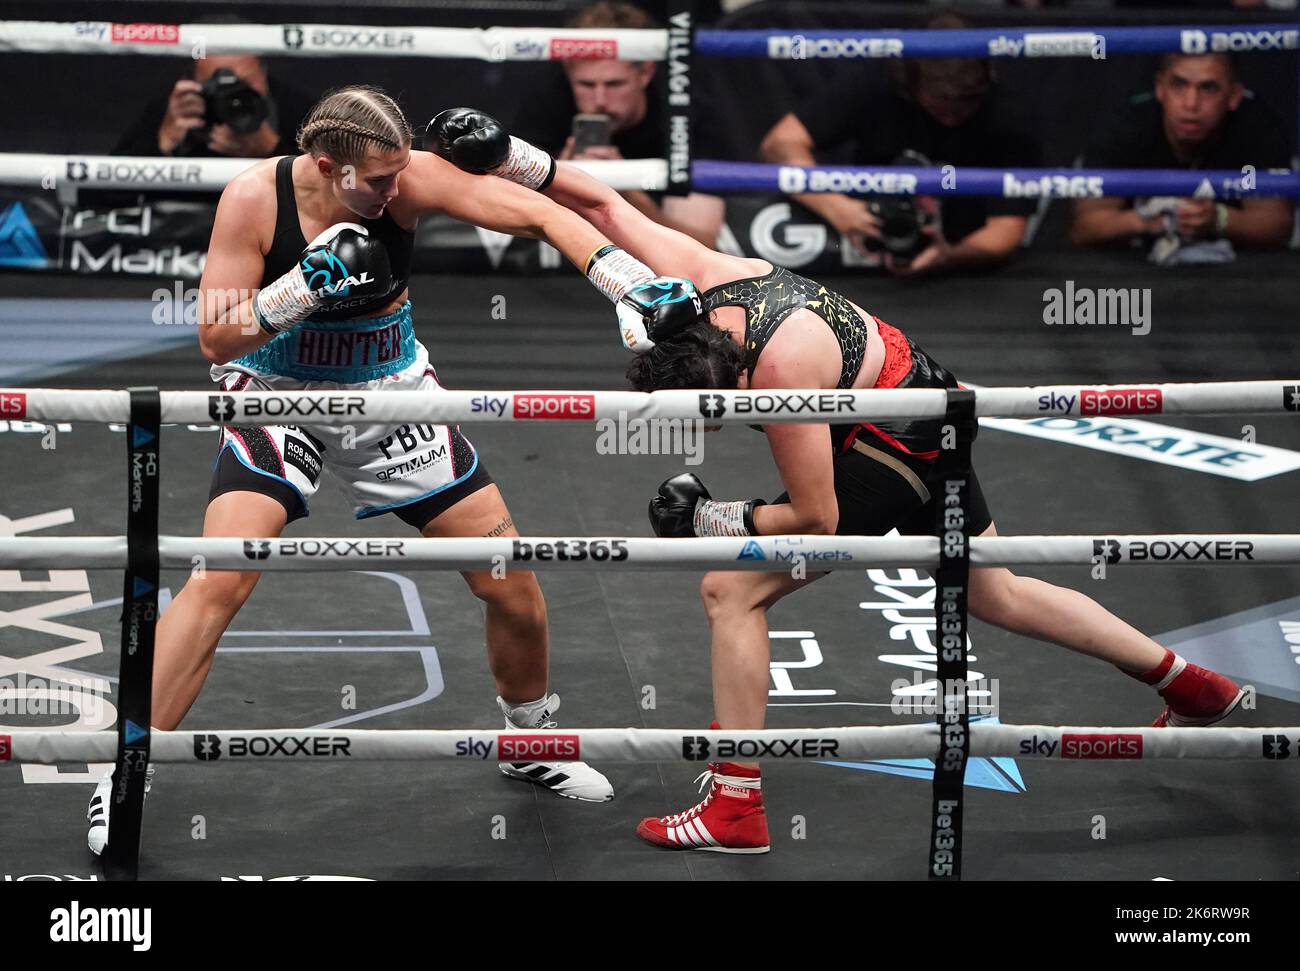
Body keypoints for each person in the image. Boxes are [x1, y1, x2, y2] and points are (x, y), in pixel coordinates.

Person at [430, 108, 1247, 855]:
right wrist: (506, 152)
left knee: (731, 589)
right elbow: (606, 207)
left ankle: (737, 808)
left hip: (898, 432)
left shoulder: (784, 374)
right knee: (997, 593)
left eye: (711, 413)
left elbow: (817, 519)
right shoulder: (703, 276)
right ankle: (1194, 685)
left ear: (732, 381)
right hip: (925, 399)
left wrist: (717, 517)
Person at [87, 86, 692, 855]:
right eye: (374, 181)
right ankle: (124, 766)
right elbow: (214, 338)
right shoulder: (252, 199)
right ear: (324, 165)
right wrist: (302, 287)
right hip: (280, 396)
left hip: (390, 393)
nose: (393, 190)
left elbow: (540, 212)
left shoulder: (404, 177)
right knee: (222, 576)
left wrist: (624, 284)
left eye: (400, 173)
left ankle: (532, 738)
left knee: (509, 576)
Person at [758, 12, 1038, 276]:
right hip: (866, 250)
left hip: (966, 264)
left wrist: (949, 256)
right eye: (941, 100)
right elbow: (780, 143)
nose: (953, 111)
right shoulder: (876, 82)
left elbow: (1007, 229)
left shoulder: (1007, 115)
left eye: (967, 99)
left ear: (987, 80)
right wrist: (834, 205)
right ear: (911, 81)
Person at [510, 1, 724, 246]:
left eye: (615, 84)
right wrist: (556, 179)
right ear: (568, 73)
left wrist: (622, 191)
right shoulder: (547, 98)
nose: (600, 101)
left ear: (646, 73)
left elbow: (700, 244)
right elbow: (508, 220)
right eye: (586, 85)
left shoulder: (683, 110)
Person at [1071, 52, 1293, 261]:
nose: (1191, 104)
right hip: (1137, 276)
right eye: (1179, 85)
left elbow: (1277, 226)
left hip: (1237, 280)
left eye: (1208, 88)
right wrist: (1146, 220)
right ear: (1160, 88)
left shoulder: (1256, 125)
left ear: (1233, 96)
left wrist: (1220, 218)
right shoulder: (1127, 124)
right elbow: (1084, 227)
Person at [113, 53, 312, 158]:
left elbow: (329, 195)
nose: (232, 95)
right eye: (217, 83)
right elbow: (99, 198)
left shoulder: (299, 113)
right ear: (191, 82)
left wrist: (273, 151)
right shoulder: (175, 111)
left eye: (244, 81)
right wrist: (162, 144)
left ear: (264, 74)